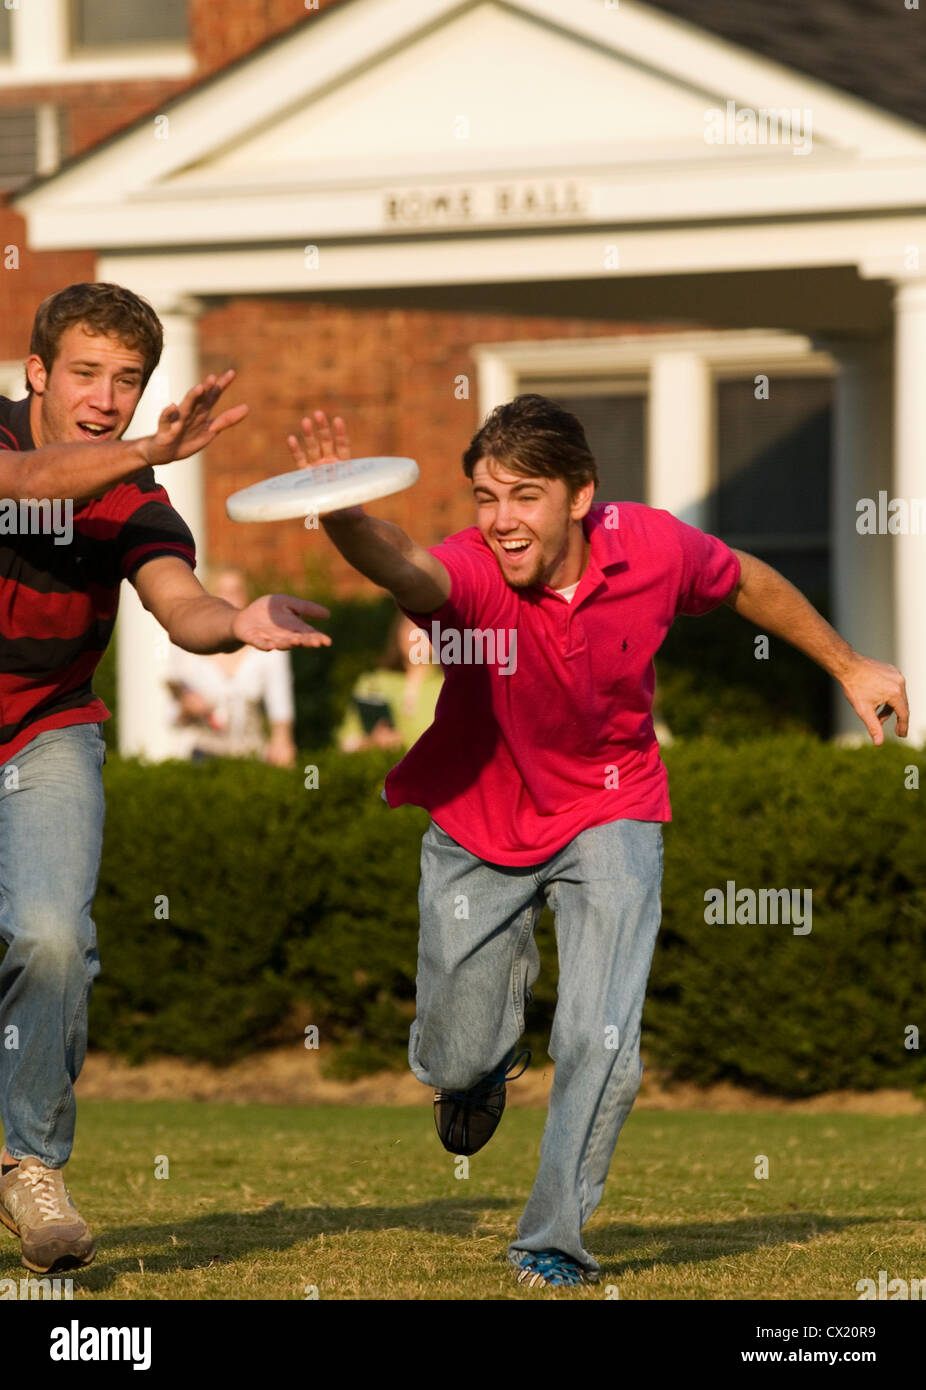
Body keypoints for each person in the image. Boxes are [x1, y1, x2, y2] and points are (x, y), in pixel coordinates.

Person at [288, 396, 908, 1291]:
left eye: (524, 497)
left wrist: (850, 663)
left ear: (581, 496)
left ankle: (552, 1236)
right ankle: (476, 1070)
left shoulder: (652, 546)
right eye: (484, 496)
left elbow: (744, 581)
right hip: (476, 818)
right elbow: (408, 568)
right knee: (458, 1051)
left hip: (612, 808)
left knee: (602, 1034)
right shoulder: (475, 571)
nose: (500, 521)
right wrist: (345, 515)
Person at [0, 282, 331, 1275]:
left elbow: (176, 602)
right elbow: (24, 486)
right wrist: (145, 447)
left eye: (129, 382)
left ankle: (28, 1163)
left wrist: (234, 622)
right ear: (37, 374)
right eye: (88, 375)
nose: (107, 398)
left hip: (45, 731)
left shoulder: (136, 499)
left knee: (53, 939)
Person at [166, 566, 297, 766]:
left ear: (247, 597)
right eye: (222, 591)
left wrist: (282, 741)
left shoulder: (268, 645)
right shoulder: (190, 647)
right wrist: (188, 707)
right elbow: (173, 713)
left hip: (253, 756)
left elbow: (280, 701)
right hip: (202, 755)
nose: (230, 598)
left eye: (236, 591)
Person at [337, 608, 442, 753]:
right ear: (398, 633)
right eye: (410, 628)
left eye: (423, 630)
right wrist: (370, 742)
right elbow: (345, 741)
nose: (416, 636)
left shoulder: (451, 684)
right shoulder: (373, 683)